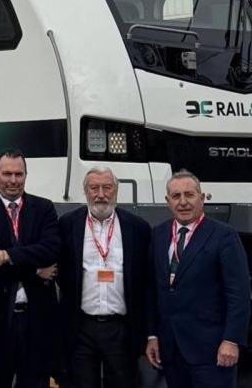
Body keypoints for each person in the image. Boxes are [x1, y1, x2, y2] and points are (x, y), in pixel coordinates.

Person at [48, 166, 152, 387]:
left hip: (121, 328)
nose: (101, 194)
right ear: (85, 192)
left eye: (107, 187)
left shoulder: (138, 228)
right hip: (81, 327)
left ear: (116, 191)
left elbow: (146, 282)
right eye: (94, 188)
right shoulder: (67, 224)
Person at [145, 171, 251, 388]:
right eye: (176, 196)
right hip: (172, 349)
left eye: (189, 195)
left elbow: (238, 293)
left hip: (212, 350)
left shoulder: (224, 236)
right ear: (167, 202)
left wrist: (231, 340)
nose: (183, 202)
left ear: (202, 198)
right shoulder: (159, 234)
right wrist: (152, 335)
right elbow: (153, 290)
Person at [0, 148, 61, 388]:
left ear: (26, 175)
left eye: (18, 174)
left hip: (37, 320)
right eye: (7, 173)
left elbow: (51, 249)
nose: (13, 180)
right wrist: (34, 270)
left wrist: (6, 255)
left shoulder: (44, 208)